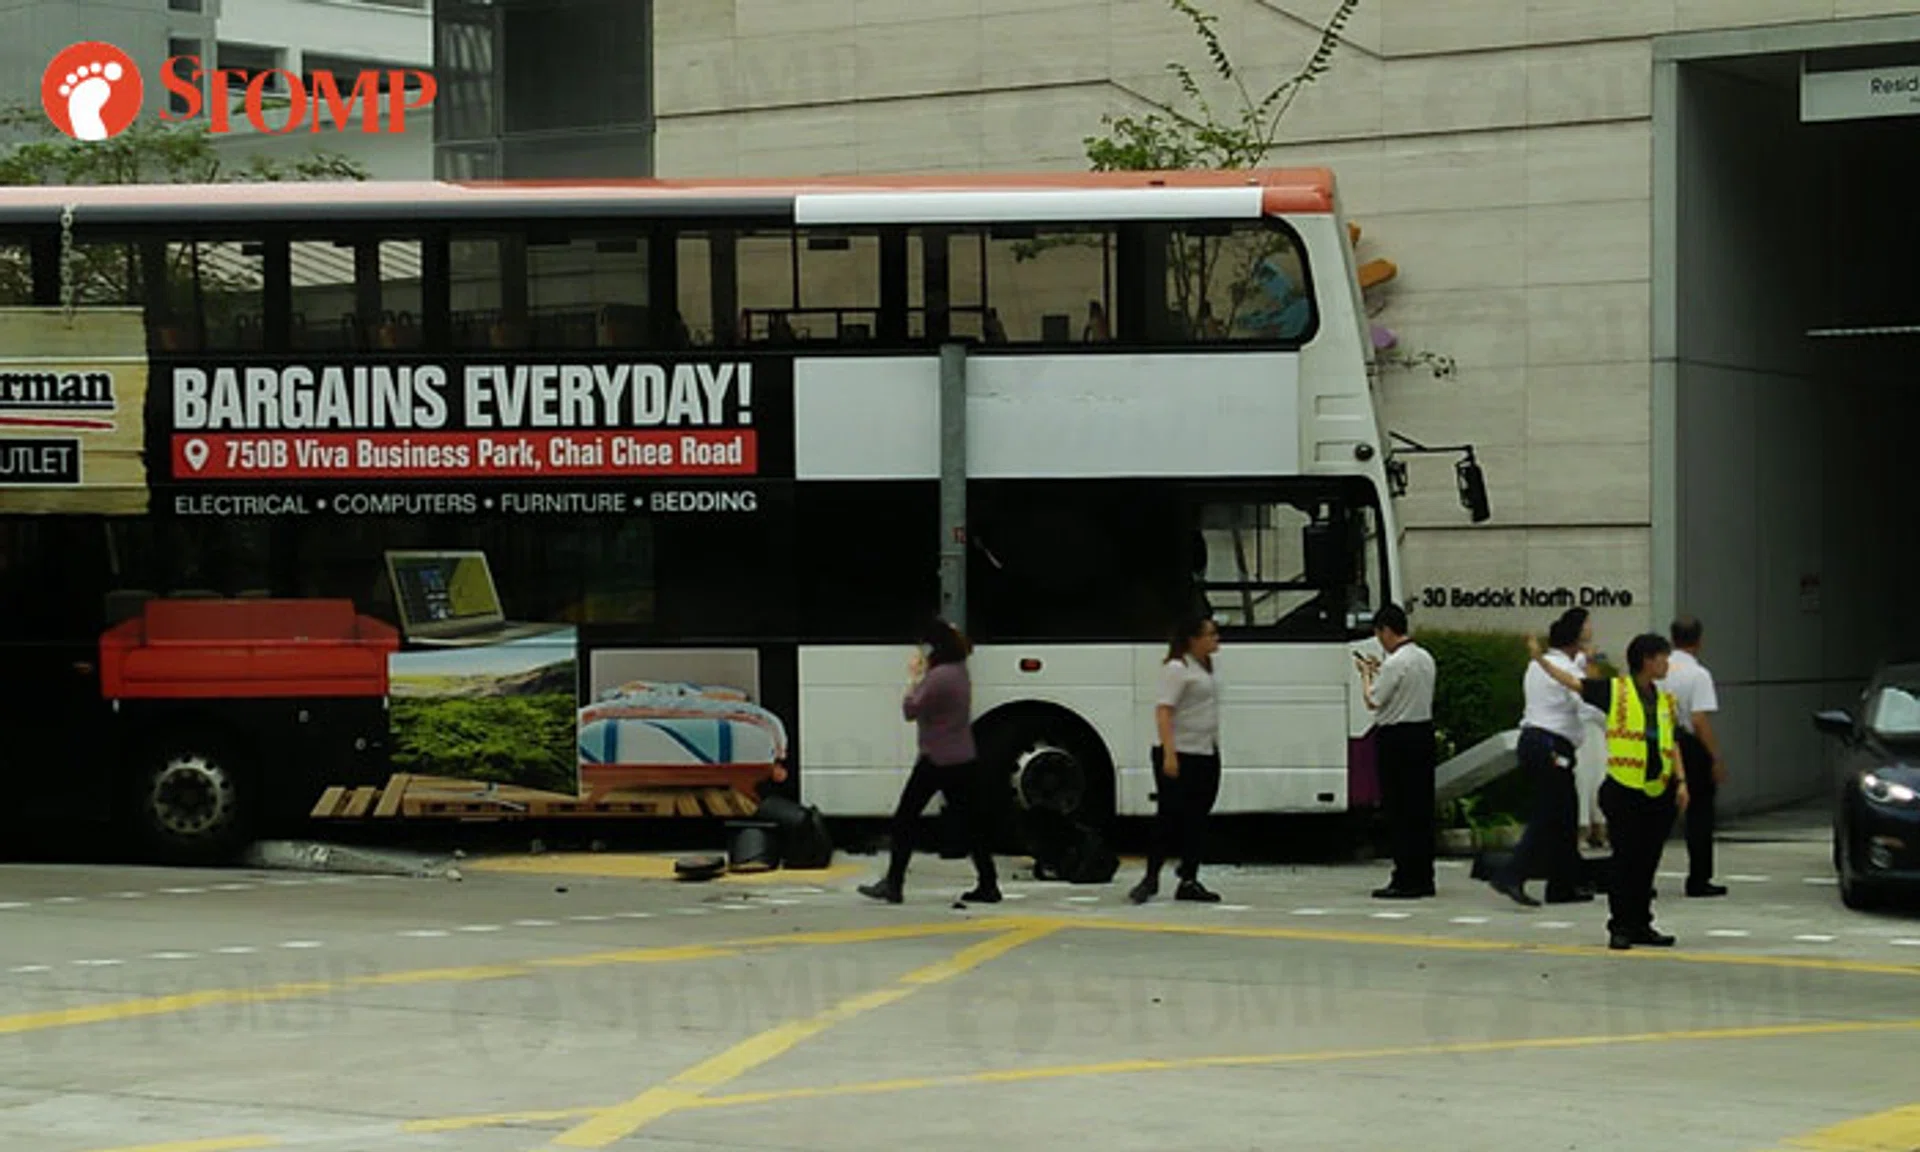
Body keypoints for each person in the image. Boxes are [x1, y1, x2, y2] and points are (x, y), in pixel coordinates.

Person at [1529, 631, 1689, 950]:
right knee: (1624, 861)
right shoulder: (1616, 691)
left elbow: (1672, 742)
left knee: (1647, 862)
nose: (1666, 664)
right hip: (1624, 789)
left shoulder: (1665, 699)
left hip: (1657, 791)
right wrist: (1538, 659)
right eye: (1662, 657)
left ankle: (1642, 923)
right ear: (1647, 660)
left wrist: (1681, 782)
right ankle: (1620, 925)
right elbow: (1573, 683)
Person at [859, 619, 1000, 906]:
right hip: (962, 756)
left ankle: (894, 884)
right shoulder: (959, 670)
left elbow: (911, 710)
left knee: (905, 819)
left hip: (937, 759)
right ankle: (989, 883)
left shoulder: (939, 677)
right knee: (972, 823)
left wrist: (913, 678)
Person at [1489, 608, 1596, 907]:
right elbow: (1587, 705)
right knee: (1550, 813)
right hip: (1552, 745)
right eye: (1586, 626)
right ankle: (1512, 873)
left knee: (1565, 815)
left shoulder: (1539, 665)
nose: (1590, 630)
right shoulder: (1567, 672)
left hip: (1533, 740)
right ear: (1575, 636)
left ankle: (1563, 885)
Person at [1129, 615, 1224, 904]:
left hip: (1205, 750)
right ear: (1193, 639)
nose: (1216, 639)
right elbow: (1164, 711)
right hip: (1179, 752)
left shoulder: (1206, 667)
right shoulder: (1177, 668)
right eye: (1210, 634)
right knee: (1168, 816)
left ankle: (1190, 878)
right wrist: (1170, 754)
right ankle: (1151, 877)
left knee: (1198, 817)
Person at [1359, 603, 1438, 899]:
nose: (1379, 640)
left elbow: (1374, 700)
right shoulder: (1425, 657)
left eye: (1379, 634)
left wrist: (1366, 675)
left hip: (1397, 738)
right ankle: (1424, 876)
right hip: (1422, 733)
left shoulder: (1394, 662)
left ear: (1387, 630)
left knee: (1400, 811)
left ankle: (1404, 877)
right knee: (1421, 810)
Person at [1661, 616, 1726, 898]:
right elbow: (1699, 719)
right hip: (1688, 744)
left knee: (1657, 813)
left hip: (1660, 743)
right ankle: (1699, 878)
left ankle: (1641, 876)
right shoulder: (1698, 675)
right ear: (1699, 641)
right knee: (1700, 814)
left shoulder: (1660, 669)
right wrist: (1715, 757)